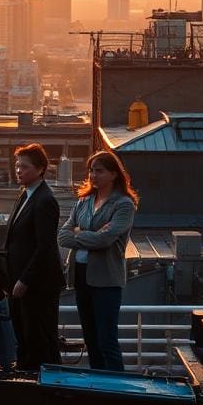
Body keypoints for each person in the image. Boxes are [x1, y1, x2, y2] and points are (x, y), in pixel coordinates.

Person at [58, 150, 137, 372]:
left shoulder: (123, 205)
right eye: (91, 170)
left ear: (113, 174)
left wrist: (79, 233)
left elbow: (106, 239)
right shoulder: (84, 201)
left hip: (106, 279)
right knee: (91, 338)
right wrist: (90, 234)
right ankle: (98, 383)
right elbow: (62, 236)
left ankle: (117, 387)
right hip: (81, 275)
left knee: (106, 339)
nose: (93, 175)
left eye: (99, 171)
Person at [5, 143, 64, 370]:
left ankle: (43, 389)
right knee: (25, 338)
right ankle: (27, 379)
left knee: (39, 339)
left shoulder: (44, 200)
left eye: (25, 167)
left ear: (40, 170)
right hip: (21, 283)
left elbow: (45, 247)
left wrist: (25, 279)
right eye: (17, 165)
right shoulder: (26, 195)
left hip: (38, 286)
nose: (18, 170)